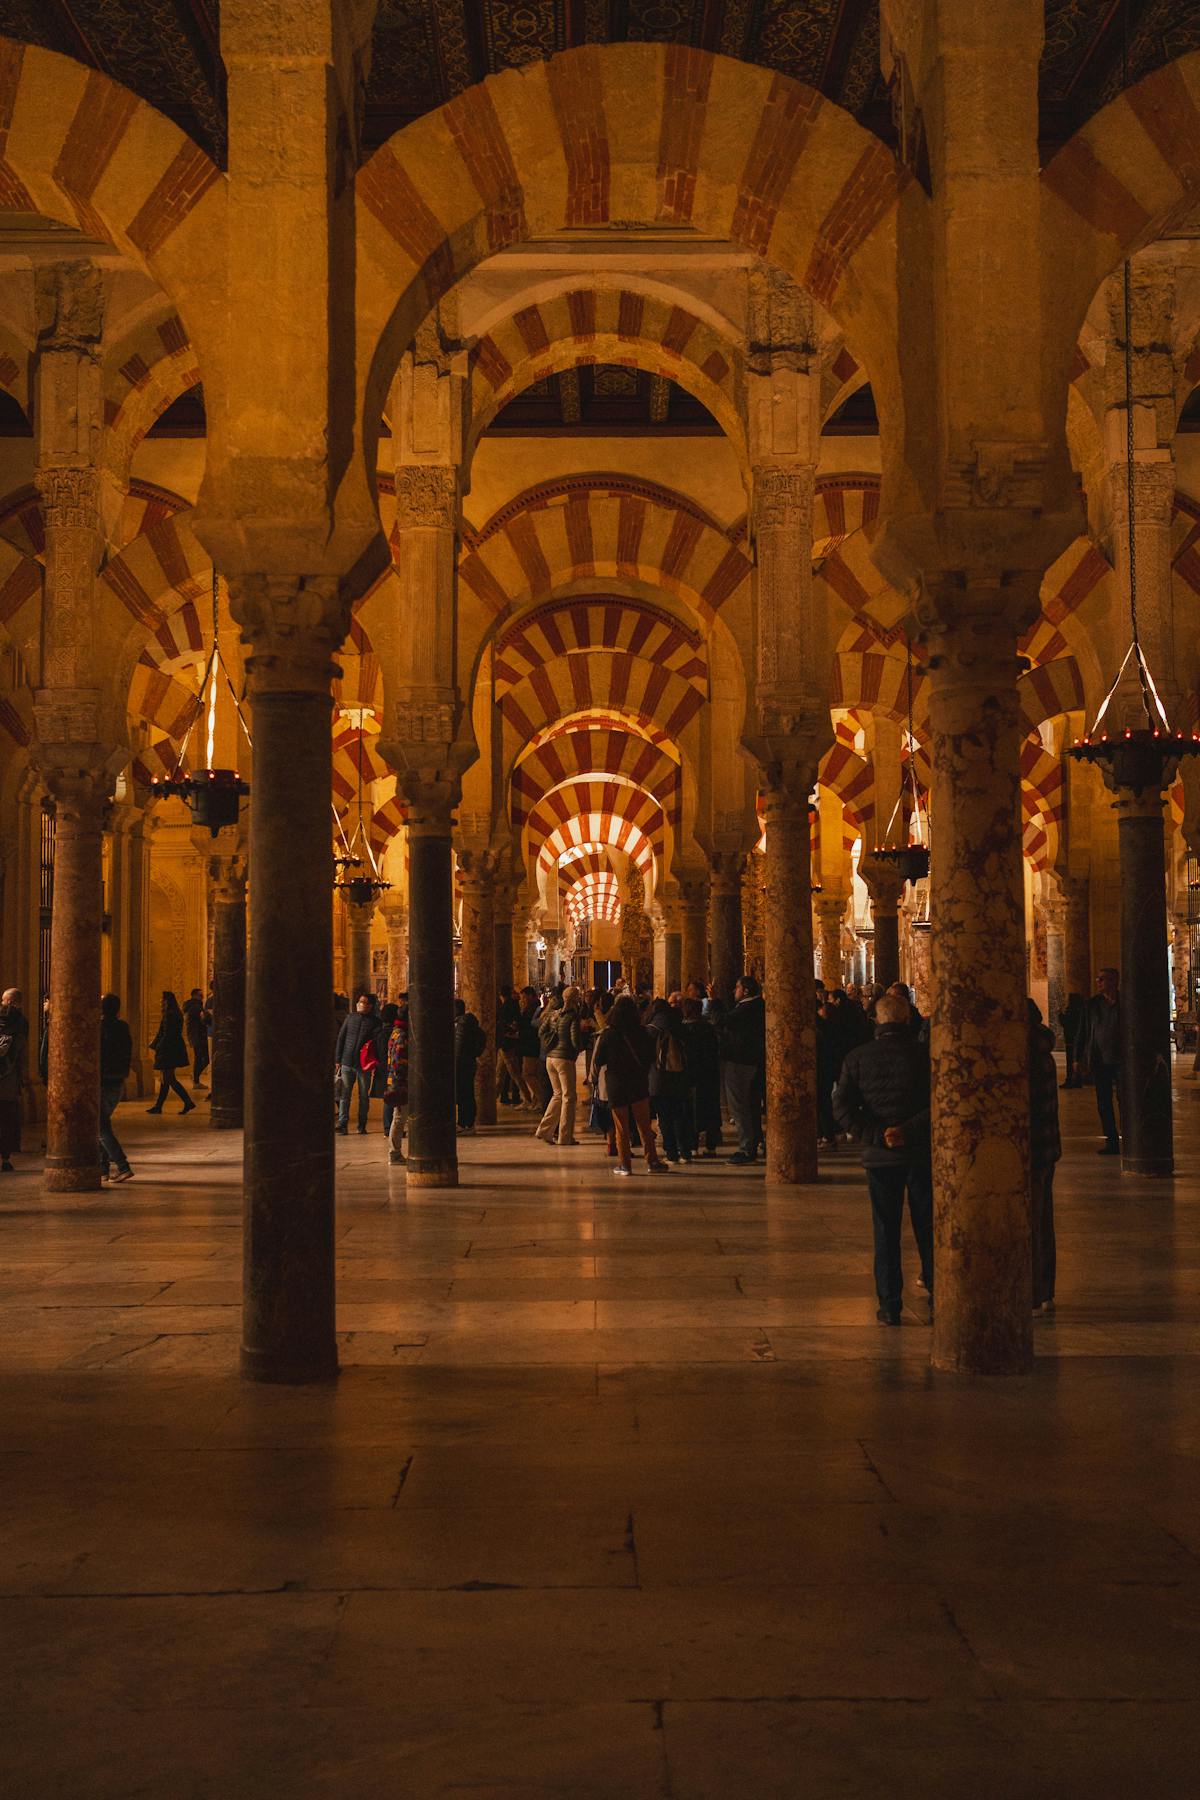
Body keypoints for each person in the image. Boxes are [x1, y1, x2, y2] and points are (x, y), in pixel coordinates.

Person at [833, 990, 933, 1326]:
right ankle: (937, 1290)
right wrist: (909, 1130)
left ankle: (889, 1304)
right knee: (928, 1225)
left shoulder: (858, 1057)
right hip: (919, 1153)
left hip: (880, 1157)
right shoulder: (924, 1056)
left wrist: (877, 1135)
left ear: (876, 1020)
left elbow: (842, 1107)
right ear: (907, 1019)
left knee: (886, 1230)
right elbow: (940, 1102)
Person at [590, 993, 668, 1176]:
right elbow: (650, 1057)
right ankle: (652, 1161)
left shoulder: (608, 1034)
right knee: (644, 1125)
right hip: (638, 1083)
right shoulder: (643, 1032)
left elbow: (599, 1060)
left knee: (621, 1127)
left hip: (616, 1085)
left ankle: (625, 1165)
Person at [1028, 998, 1060, 1315]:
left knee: (1032, 1224)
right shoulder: (1044, 1052)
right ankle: (1045, 1289)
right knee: (1042, 1222)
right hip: (1046, 1150)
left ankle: (1034, 1292)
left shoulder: (1028, 1059)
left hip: (1031, 1150)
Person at [720, 974, 766, 1165]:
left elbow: (723, 1021)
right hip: (754, 1062)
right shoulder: (757, 1006)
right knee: (752, 1106)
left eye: (737, 987)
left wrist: (714, 1001)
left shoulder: (748, 1008)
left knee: (739, 1107)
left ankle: (747, 1149)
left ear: (746, 991)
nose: (733, 991)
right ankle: (756, 1142)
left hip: (741, 1062)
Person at [646, 996, 694, 1163]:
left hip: (660, 1078)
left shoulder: (652, 1028)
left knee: (665, 1117)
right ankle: (686, 1152)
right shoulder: (681, 1026)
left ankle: (671, 1153)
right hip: (681, 1077)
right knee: (681, 1116)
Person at [535, 985, 583, 1145]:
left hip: (550, 1058)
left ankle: (544, 1130)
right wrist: (579, 1048)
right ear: (576, 999)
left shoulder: (553, 1013)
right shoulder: (573, 1016)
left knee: (557, 1095)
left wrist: (553, 1039)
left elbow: (541, 1031)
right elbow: (575, 1040)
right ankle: (565, 1136)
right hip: (564, 1059)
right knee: (569, 1097)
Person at [1084, 966, 1121, 1155]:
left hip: (1122, 1059)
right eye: (1098, 979)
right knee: (1104, 1103)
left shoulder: (1125, 1002)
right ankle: (1112, 1141)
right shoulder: (1093, 1004)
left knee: (1126, 1100)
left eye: (1102, 979)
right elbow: (1084, 1032)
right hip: (1100, 1059)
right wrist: (1079, 1058)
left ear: (1114, 981)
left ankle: (1131, 1139)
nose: (1098, 982)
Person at [98, 993, 134, 1182]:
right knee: (102, 1124)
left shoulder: (100, 1028)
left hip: (102, 1082)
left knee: (100, 1127)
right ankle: (103, 1169)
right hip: (117, 1081)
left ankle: (122, 1166)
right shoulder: (123, 1026)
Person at [335, 992, 382, 1135]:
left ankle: (362, 1125)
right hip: (347, 1062)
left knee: (363, 1096)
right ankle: (342, 1124)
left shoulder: (375, 1022)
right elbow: (341, 1037)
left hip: (364, 1065)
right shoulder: (350, 1018)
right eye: (360, 1001)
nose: (361, 1004)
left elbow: (376, 1044)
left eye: (365, 1002)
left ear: (371, 1005)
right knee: (345, 1095)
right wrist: (338, 1059)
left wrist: (375, 1063)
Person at [681, 996, 721, 1156]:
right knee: (709, 1108)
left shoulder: (684, 1030)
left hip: (690, 1075)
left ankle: (693, 1146)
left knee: (691, 1110)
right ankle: (711, 1146)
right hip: (709, 1074)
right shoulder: (708, 1028)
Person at [147, 992, 196, 1115]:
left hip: (168, 1049)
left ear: (167, 1001)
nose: (160, 1002)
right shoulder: (174, 1013)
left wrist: (158, 1047)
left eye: (162, 999)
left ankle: (188, 1102)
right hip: (172, 1048)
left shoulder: (170, 1015)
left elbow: (166, 1034)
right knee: (166, 1079)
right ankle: (159, 1106)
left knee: (169, 1078)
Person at [0, 987, 29, 1173]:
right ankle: (5, 1158)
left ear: (8, 1001)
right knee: (7, 1118)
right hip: (8, 1079)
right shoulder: (21, 1022)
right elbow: (20, 1052)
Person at [454, 997, 487, 1134]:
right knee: (466, 1093)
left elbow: (459, 1048)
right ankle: (467, 1123)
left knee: (464, 1094)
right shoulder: (470, 1024)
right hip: (468, 1063)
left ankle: (465, 1123)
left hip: (462, 1065)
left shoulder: (462, 1025)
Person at [385, 997, 409, 1166]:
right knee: (400, 1117)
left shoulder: (395, 1031)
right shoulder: (402, 1035)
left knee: (400, 1117)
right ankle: (394, 1153)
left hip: (396, 1079)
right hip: (402, 1081)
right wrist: (401, 1081)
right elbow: (399, 1060)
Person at [1058, 991, 1087, 1088]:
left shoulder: (1070, 1010)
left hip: (1070, 1039)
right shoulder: (1081, 1010)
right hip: (1077, 1039)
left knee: (1070, 1061)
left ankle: (1070, 1081)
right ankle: (1078, 1080)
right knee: (1077, 1060)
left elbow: (1066, 1023)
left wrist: (1060, 1015)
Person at [183, 988, 210, 1088]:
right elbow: (205, 1019)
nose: (202, 998)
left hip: (194, 1035)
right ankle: (195, 1078)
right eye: (201, 995)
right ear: (194, 995)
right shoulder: (196, 1007)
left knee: (199, 1058)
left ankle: (195, 1078)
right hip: (198, 1035)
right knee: (204, 1058)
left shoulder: (190, 1006)